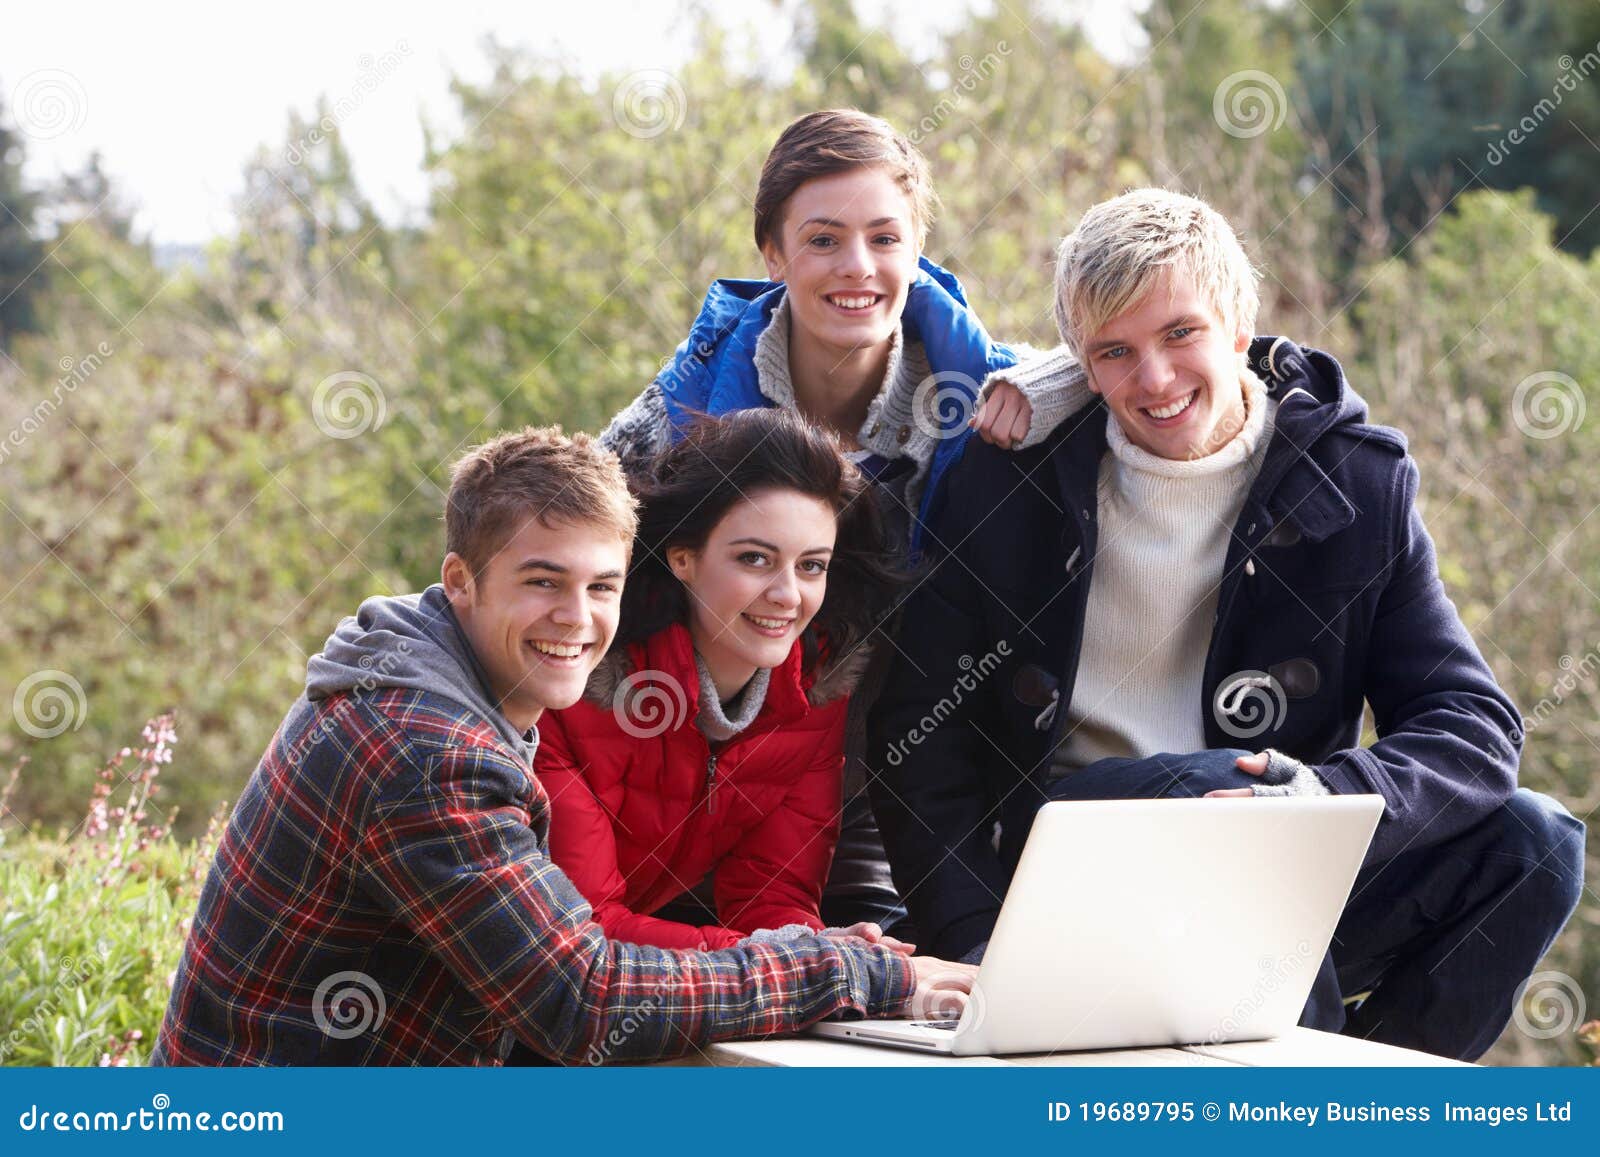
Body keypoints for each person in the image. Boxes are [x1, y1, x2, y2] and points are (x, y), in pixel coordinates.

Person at [868, 187, 1585, 1062]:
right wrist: (976, 943)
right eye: (1116, 353)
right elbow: (916, 736)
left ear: (1239, 329)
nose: (1155, 380)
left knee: (1536, 841)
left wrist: (1324, 797)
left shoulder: (1354, 484)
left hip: (1266, 849)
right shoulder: (1008, 481)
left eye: (1180, 335)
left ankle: (1369, 1106)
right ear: (1082, 368)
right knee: (1219, 802)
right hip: (1070, 865)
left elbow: (1471, 725)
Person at [152, 425, 972, 1066]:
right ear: (462, 580)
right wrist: (853, 969)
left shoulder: (456, 692)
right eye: (543, 581)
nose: (577, 618)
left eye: (601, 586)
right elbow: (583, 998)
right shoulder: (425, 747)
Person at [600, 107, 1091, 935]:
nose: (857, 267)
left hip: (884, 786)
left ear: (916, 250)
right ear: (773, 254)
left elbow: (1156, 363)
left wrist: (1053, 385)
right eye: (823, 239)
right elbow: (549, 543)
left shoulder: (979, 396)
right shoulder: (681, 414)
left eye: (885, 238)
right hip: (690, 785)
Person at [539, 409, 906, 951]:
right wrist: (816, 965)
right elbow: (588, 929)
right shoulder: (572, 682)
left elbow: (772, 898)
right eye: (755, 559)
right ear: (683, 557)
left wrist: (835, 948)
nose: (788, 595)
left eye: (811, 566)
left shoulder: (815, 690)